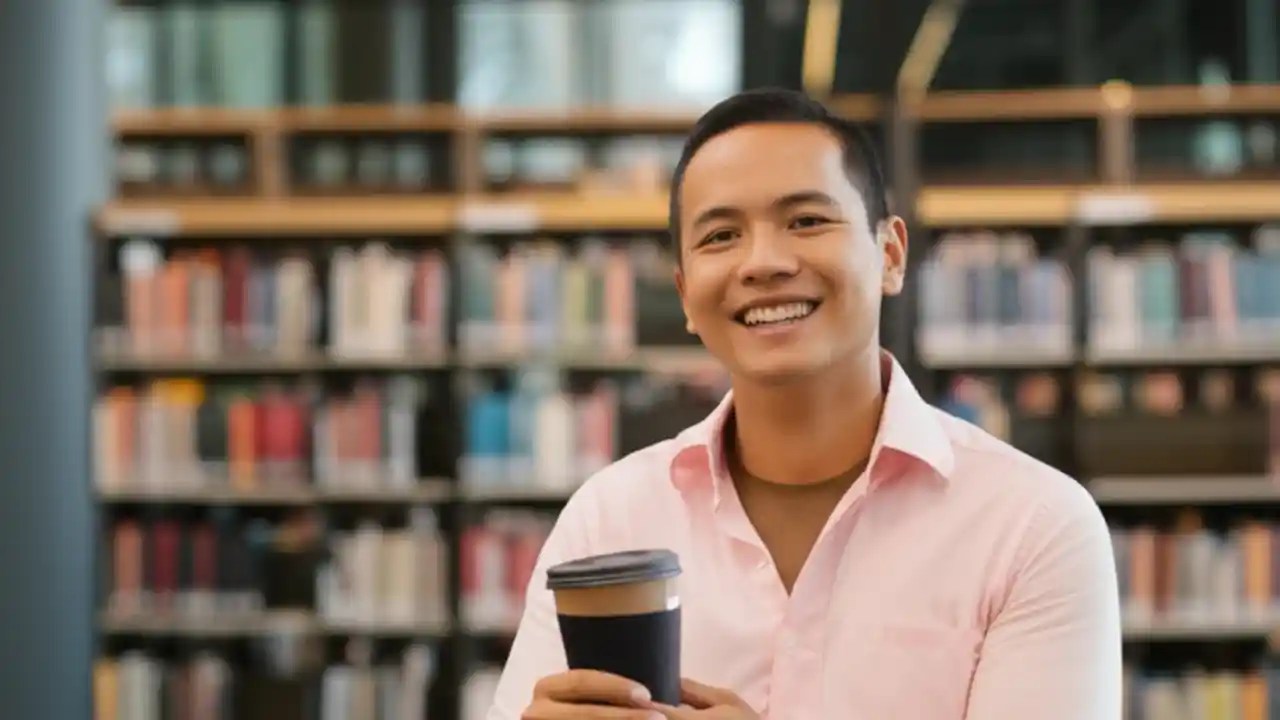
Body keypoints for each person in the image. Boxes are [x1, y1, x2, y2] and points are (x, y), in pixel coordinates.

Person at [486, 88, 1122, 719]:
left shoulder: (1034, 527)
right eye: (720, 235)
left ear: (891, 255)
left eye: (807, 221)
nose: (763, 262)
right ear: (684, 293)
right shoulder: (611, 519)